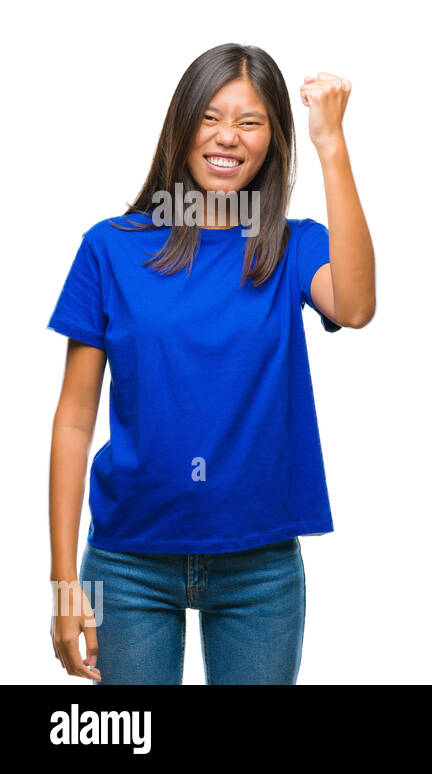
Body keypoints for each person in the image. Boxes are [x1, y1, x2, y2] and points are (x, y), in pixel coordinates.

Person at [47, 43, 375, 684]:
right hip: (128, 560)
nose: (228, 137)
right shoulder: (110, 248)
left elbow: (358, 305)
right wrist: (64, 587)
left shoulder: (292, 245)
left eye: (250, 122)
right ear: (182, 124)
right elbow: (73, 421)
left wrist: (331, 143)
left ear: (274, 140)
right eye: (210, 117)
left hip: (260, 567)